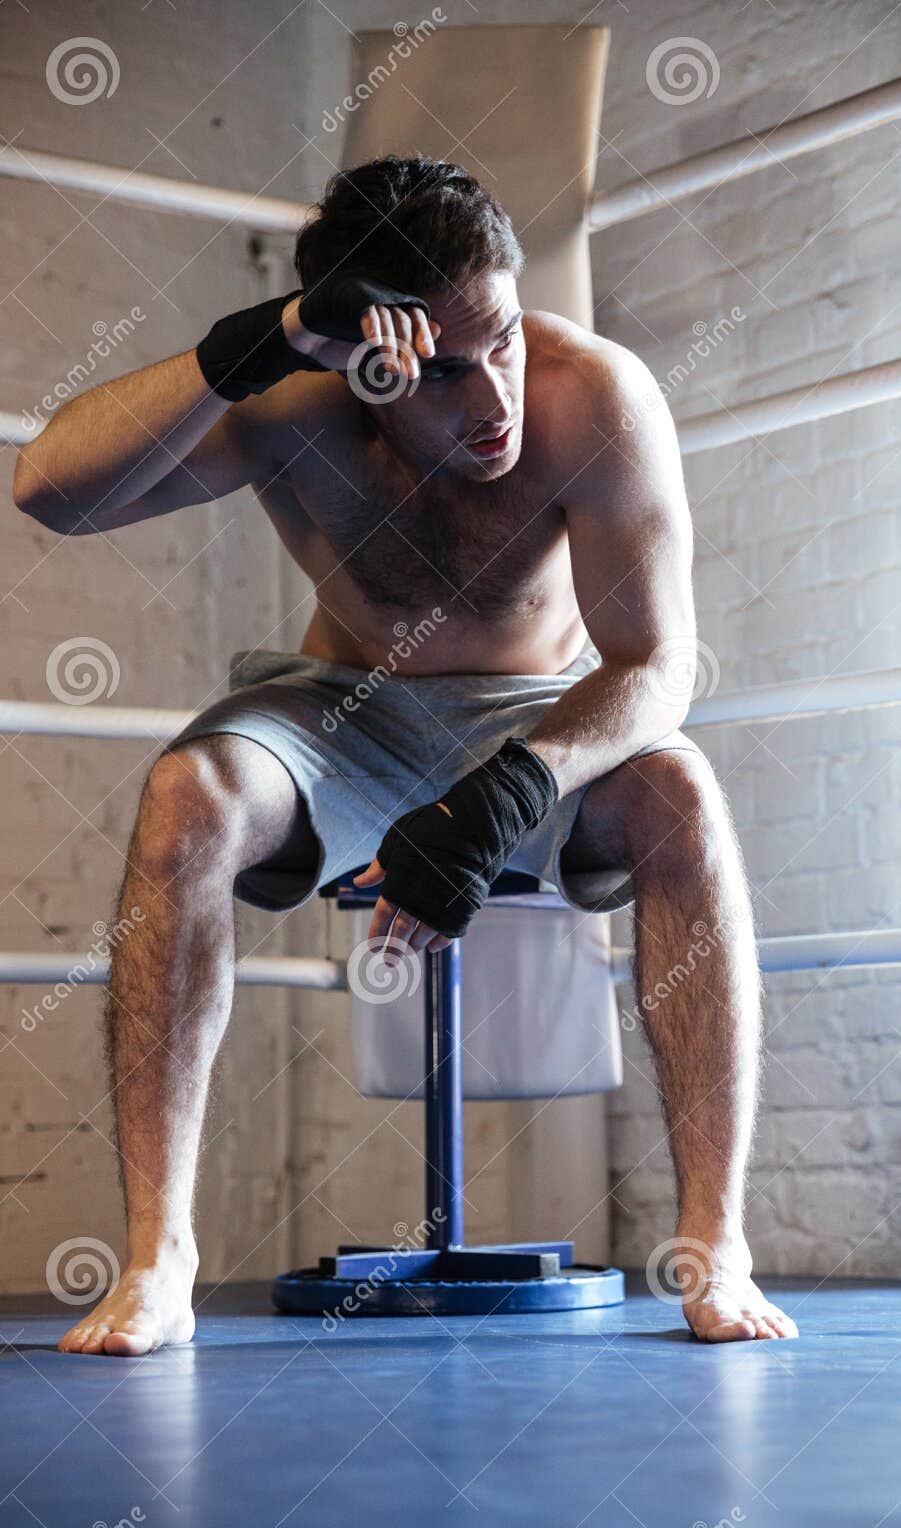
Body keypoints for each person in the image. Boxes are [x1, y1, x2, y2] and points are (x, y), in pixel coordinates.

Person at [12, 154, 797, 1354]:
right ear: (363, 363)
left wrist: (508, 794)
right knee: (188, 794)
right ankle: (158, 1257)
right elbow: (51, 489)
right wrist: (258, 344)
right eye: (438, 371)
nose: (491, 400)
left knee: (681, 794)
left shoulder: (597, 397)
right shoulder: (289, 410)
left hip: (539, 713)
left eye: (500, 343)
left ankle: (715, 1244)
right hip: (342, 714)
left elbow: (655, 668)